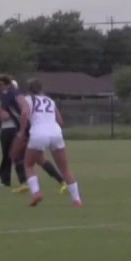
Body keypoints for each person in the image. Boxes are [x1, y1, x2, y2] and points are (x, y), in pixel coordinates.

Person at [17, 79, 82, 208]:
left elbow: (24, 113)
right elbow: (60, 121)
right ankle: (76, 200)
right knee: (65, 169)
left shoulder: (27, 99)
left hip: (38, 133)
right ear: (41, 89)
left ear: (29, 90)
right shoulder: (50, 101)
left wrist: (21, 131)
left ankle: (36, 193)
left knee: (28, 164)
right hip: (55, 133)